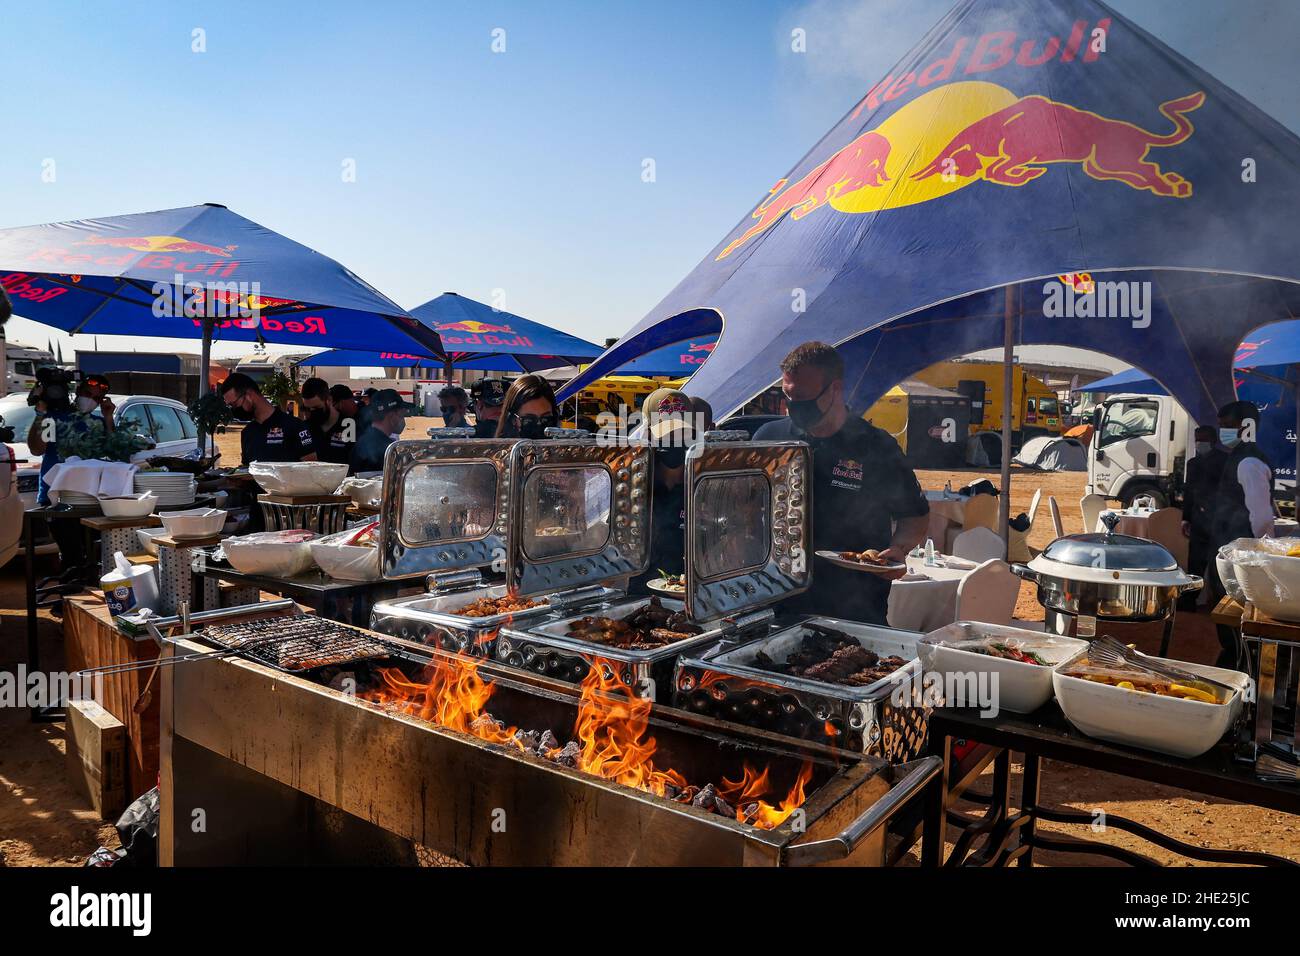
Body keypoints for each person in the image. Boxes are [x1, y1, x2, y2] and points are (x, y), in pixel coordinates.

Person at [754, 342, 930, 624]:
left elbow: (915, 517)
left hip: (856, 606)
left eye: (803, 397)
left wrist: (899, 549)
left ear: (835, 389)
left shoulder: (877, 446)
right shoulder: (767, 439)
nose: (794, 406)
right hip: (779, 601)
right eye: (788, 396)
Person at [1207, 400, 1275, 667]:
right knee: (1228, 620)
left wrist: (1263, 553)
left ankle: (1241, 668)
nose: (1223, 431)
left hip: (1242, 556)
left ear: (1246, 426)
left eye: (1227, 426)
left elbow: (1261, 516)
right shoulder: (1238, 457)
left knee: (1237, 621)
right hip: (1230, 548)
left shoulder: (1248, 462)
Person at [629, 388, 698, 594]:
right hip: (639, 599)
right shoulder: (633, 487)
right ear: (649, 433)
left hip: (693, 599)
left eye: (682, 432)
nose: (675, 438)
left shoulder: (701, 486)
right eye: (666, 433)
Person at [220, 372, 317, 465]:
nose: (234, 409)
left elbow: (311, 468)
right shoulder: (247, 433)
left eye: (234, 404)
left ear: (249, 395)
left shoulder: (294, 426)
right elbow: (246, 470)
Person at [1181, 425, 1227, 581]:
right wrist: (1185, 518)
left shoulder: (1224, 461)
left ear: (1213, 440)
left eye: (1204, 439)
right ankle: (1190, 601)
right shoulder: (1193, 463)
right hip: (1198, 522)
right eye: (1197, 440)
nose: (1200, 443)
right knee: (1194, 566)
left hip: (1218, 522)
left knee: (1216, 568)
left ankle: (1214, 602)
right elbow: (1189, 493)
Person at [350, 388, 414, 474]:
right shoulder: (388, 450)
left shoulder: (363, 441)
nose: (403, 419)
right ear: (391, 416)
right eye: (402, 415)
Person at [301, 377, 355, 465]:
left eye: (316, 408)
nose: (311, 413)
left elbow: (353, 458)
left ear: (329, 400)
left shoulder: (348, 425)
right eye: (307, 409)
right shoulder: (305, 428)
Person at [496, 375, 560, 439]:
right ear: (512, 419)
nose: (538, 425)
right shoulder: (499, 448)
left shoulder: (564, 446)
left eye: (546, 419)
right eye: (529, 420)